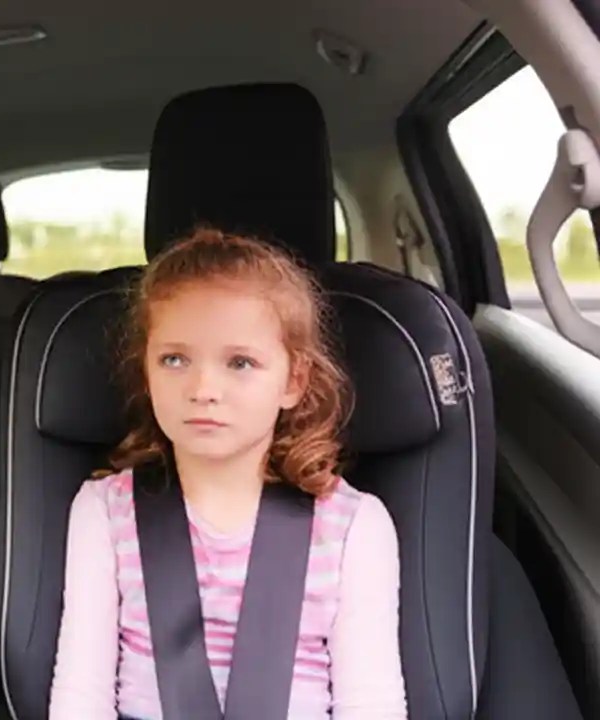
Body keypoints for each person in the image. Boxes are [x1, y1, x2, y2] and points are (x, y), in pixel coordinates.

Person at [48, 227, 407, 719]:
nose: (203, 388)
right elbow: (79, 698)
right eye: (174, 359)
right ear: (146, 373)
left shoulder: (353, 527)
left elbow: (371, 705)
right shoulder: (105, 514)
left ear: (294, 381)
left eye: (240, 362)